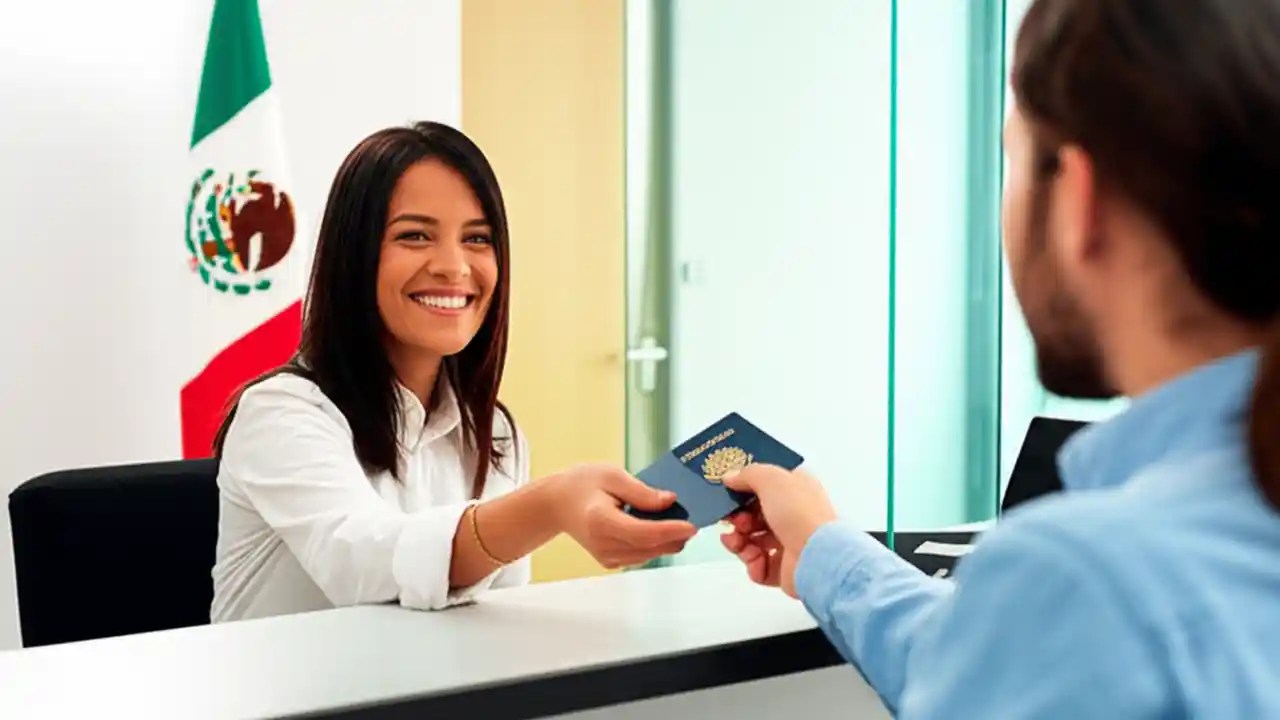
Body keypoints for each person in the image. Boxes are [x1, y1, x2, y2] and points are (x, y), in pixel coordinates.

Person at [721, 0, 1280, 716]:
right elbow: (1021, 655)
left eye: (1009, 157)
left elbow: (1063, 636)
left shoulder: (1086, 582)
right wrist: (826, 550)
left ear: (1083, 200)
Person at [210, 122, 695, 623]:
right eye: (415, 235)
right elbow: (364, 568)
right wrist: (549, 506)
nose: (454, 266)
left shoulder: (495, 433)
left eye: (478, 238)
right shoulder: (280, 412)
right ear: (354, 255)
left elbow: (490, 615)